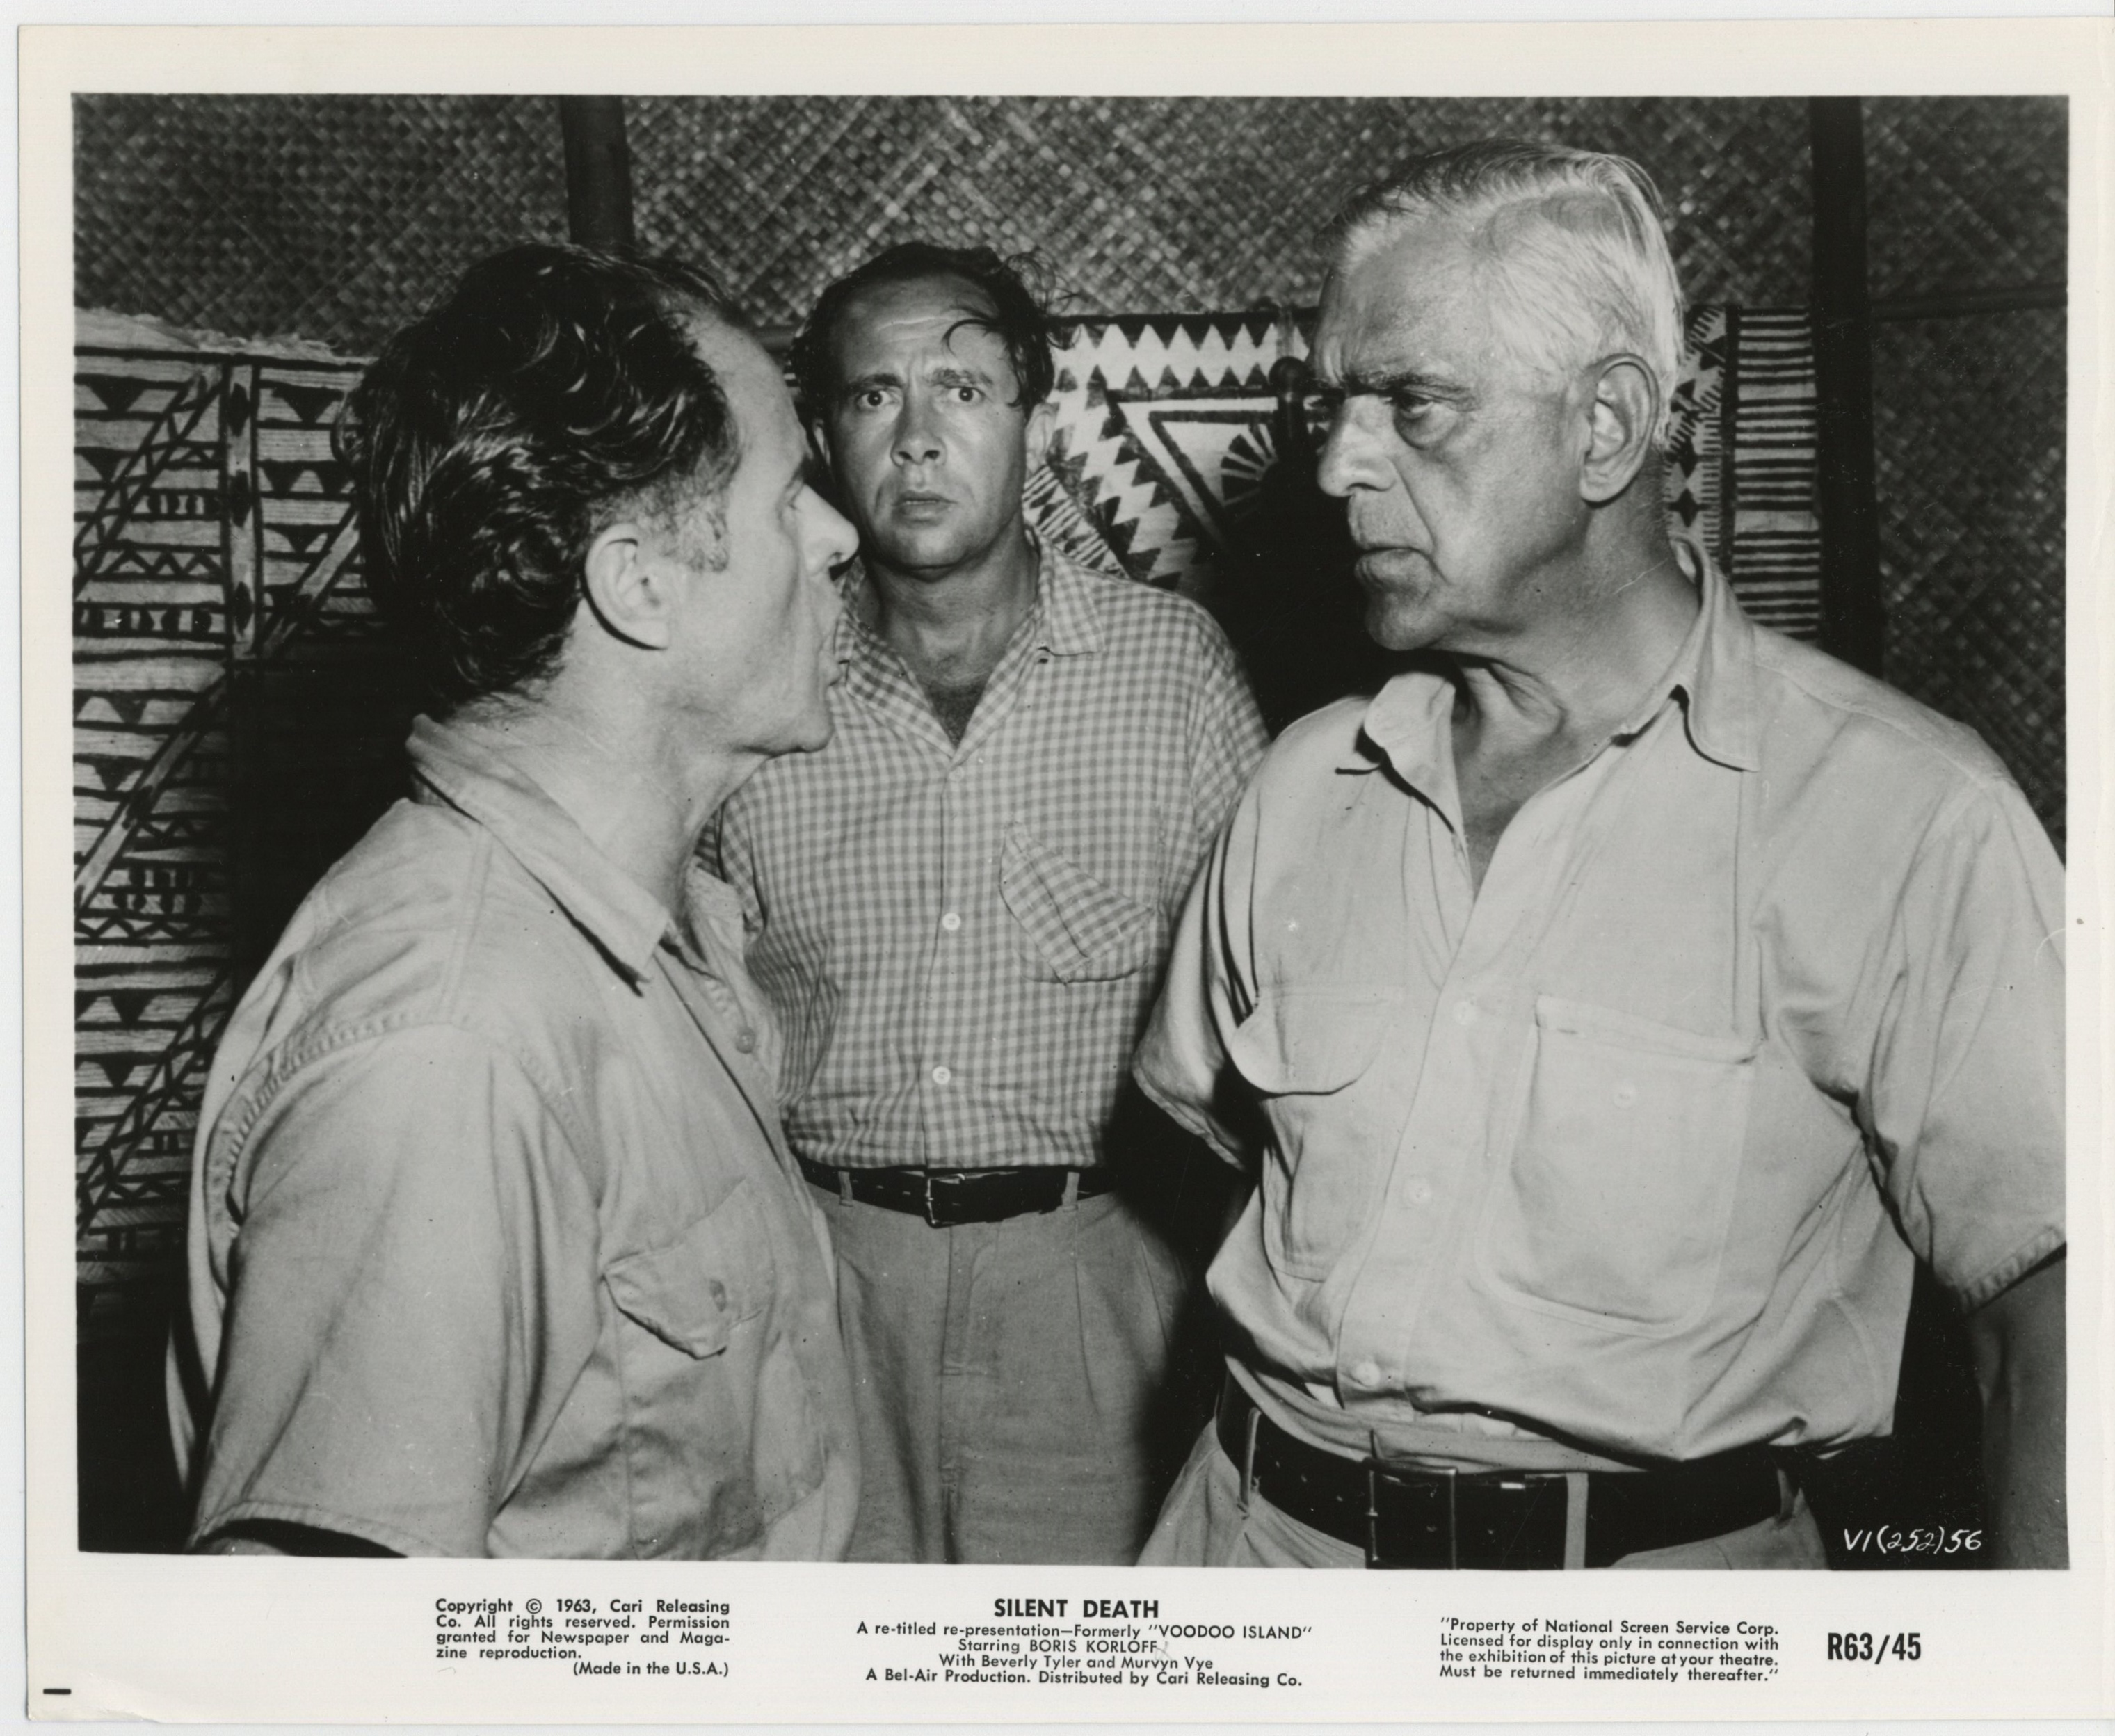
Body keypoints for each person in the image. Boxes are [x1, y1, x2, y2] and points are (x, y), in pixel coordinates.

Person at [1136, 141, 2066, 1570]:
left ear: (1608, 427)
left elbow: (2053, 1337)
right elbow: (1204, 1156)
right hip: (1248, 1571)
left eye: (1413, 406)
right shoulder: (1307, 786)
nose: (1335, 466)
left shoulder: (1908, 820)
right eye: (1333, 405)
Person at [168, 242, 865, 1559]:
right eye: (787, 493)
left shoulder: (651, 940)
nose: (837, 533)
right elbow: (324, 1668)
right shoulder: (451, 1050)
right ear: (638, 585)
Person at [709, 243, 1269, 1564]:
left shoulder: (1169, 670)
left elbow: (1272, 1010)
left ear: (1032, 410)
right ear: (819, 437)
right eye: (869, 398)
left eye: (961, 388)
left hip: (1091, 1284)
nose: (914, 440)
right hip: (821, 1285)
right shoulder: (757, 687)